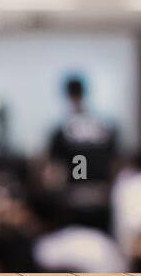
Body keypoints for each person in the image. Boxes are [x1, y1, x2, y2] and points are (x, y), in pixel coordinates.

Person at [45, 76, 119, 233]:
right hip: (101, 195)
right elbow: (115, 165)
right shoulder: (105, 127)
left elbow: (55, 172)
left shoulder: (62, 130)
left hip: (74, 198)